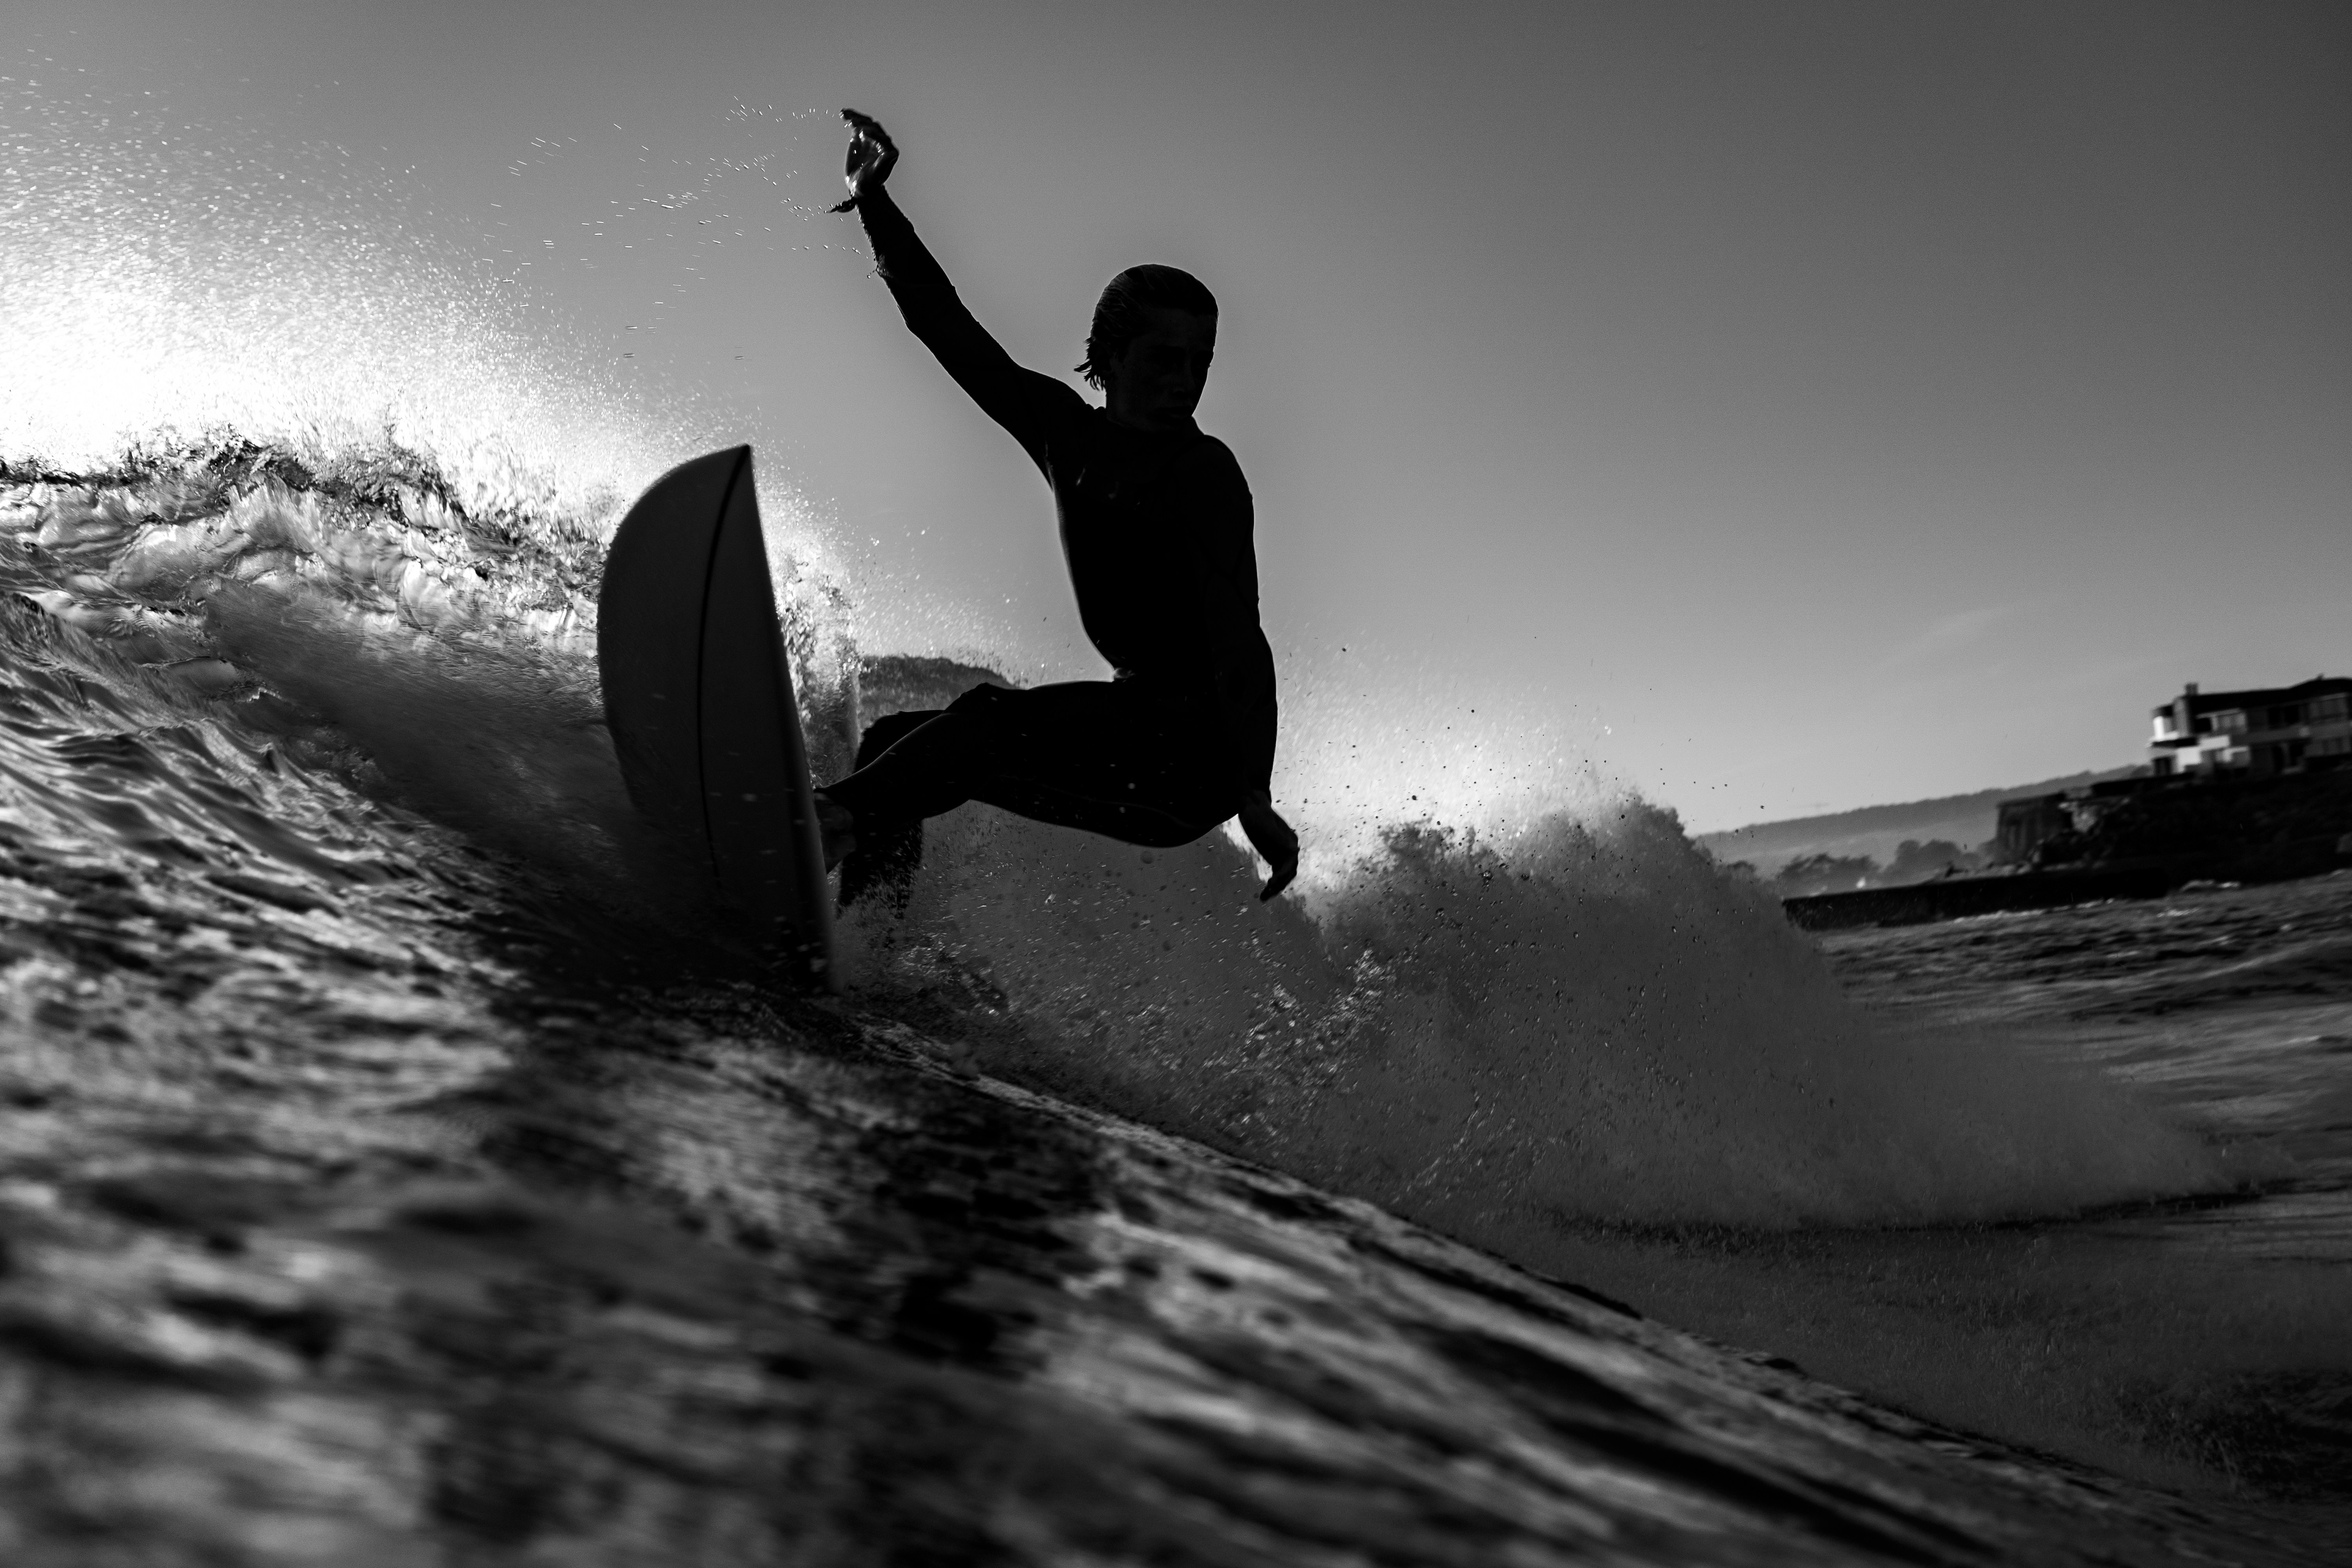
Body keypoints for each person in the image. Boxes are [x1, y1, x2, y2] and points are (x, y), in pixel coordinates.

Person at [814, 109, 1300, 904]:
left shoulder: (1203, 471)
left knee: (985, 721)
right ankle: (876, 946)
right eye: (1165, 358)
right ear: (1110, 355)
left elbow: (1238, 636)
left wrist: (1255, 792)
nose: (1187, 379)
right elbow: (947, 327)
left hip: (1189, 763)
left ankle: (827, 825)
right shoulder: (1064, 434)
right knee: (897, 745)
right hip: (1127, 728)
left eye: (1200, 362)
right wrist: (872, 200)